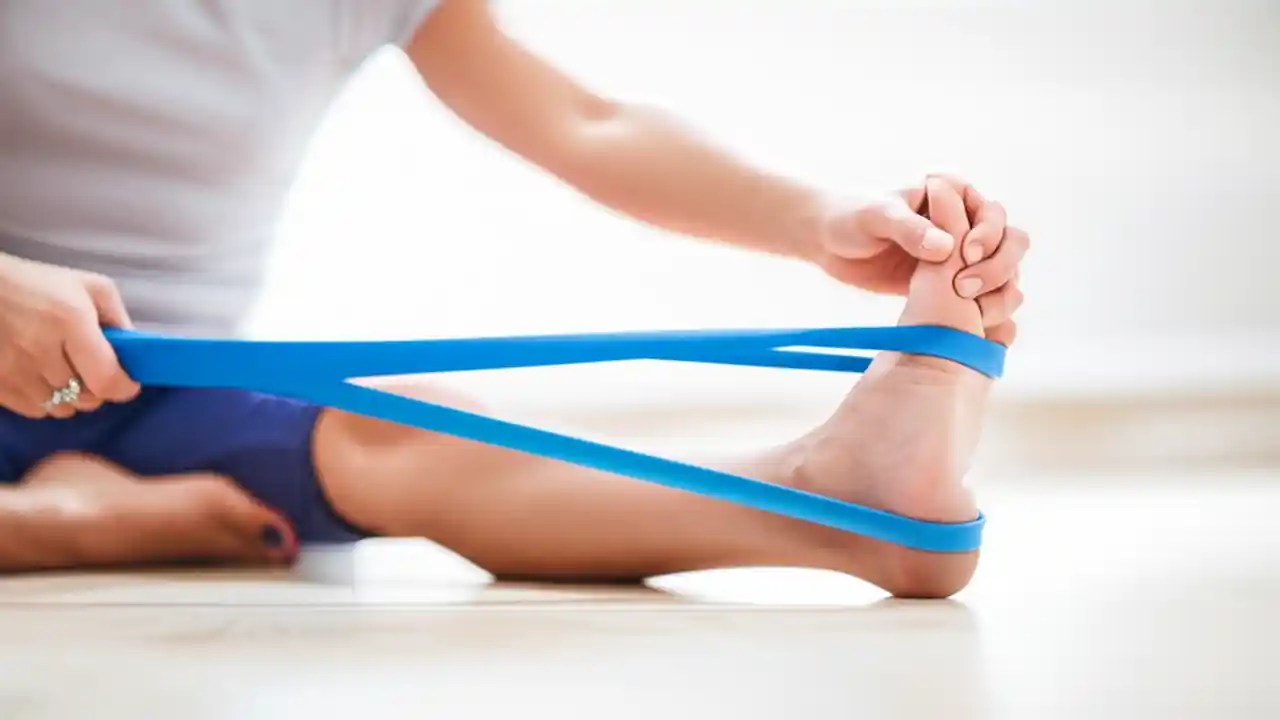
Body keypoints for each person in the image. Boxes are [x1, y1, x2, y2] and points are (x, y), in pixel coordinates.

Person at [0, 0, 1028, 596]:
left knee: (402, 431)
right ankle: (74, 527)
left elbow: (587, 124)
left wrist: (822, 219)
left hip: (160, 385)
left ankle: (829, 497)